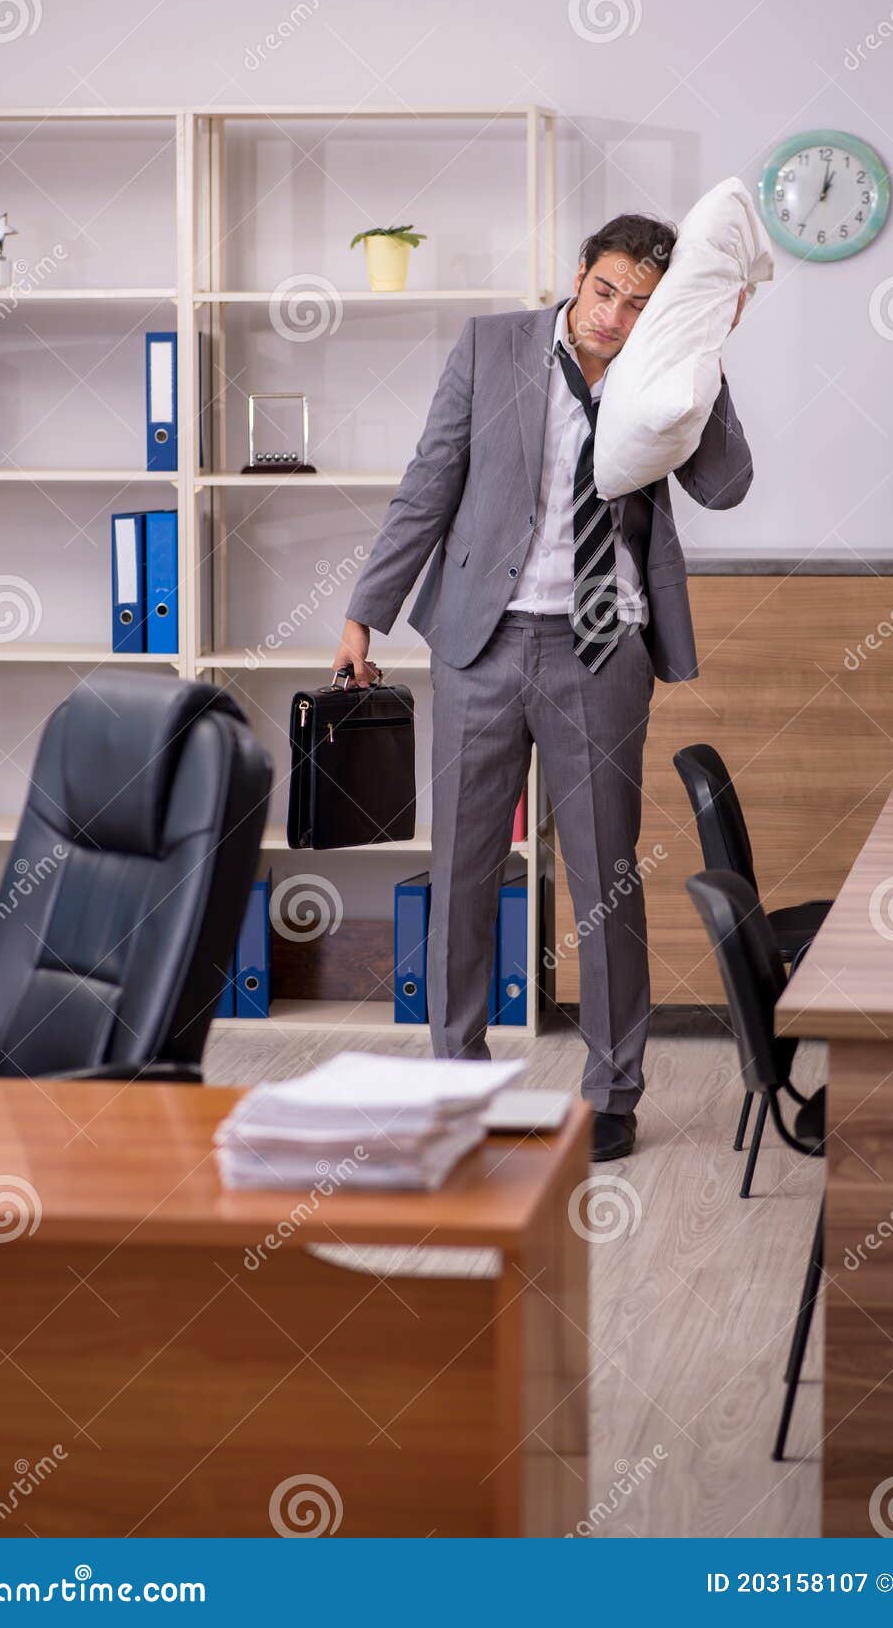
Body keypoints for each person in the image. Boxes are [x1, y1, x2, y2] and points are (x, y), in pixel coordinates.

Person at [332, 214, 752, 1162]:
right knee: (465, 870)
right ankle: (456, 1081)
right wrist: (367, 611)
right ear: (578, 276)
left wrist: (705, 346)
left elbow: (725, 486)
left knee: (605, 873)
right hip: (479, 644)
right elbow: (428, 483)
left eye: (643, 304)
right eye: (606, 291)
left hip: (602, 650)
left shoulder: (670, 363)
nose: (615, 316)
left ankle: (612, 1092)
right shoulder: (493, 345)